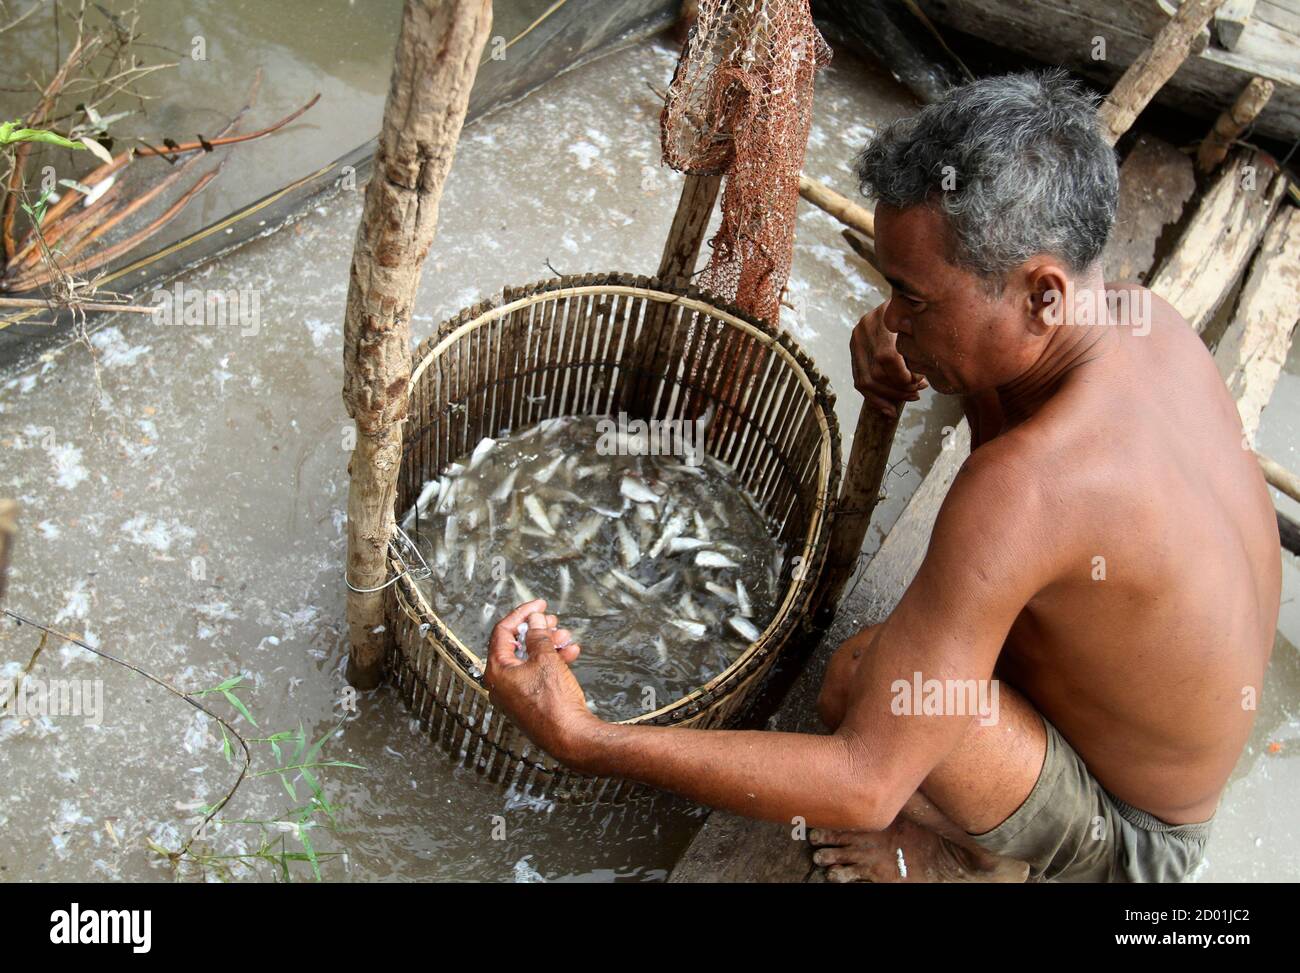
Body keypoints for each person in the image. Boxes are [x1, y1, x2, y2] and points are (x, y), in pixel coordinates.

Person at [483, 71, 1281, 882]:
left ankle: (972, 860)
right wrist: (911, 335)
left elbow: (865, 783)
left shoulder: (1029, 490)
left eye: (912, 297)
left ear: (1042, 293)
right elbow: (1003, 378)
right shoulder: (1148, 325)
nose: (891, 319)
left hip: (1135, 841)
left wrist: (586, 739)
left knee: (859, 684)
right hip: (1150, 726)